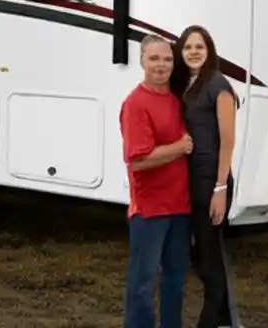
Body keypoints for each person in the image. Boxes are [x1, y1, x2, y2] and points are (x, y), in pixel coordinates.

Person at [119, 34, 194, 328]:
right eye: (154, 58)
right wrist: (180, 147)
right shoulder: (136, 104)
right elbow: (138, 160)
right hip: (150, 211)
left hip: (180, 207)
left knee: (175, 279)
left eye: (167, 59)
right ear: (141, 61)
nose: (161, 65)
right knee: (143, 282)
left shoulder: (176, 100)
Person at [171, 25, 240, 328]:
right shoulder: (183, 83)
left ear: (209, 50)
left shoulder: (218, 84)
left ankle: (210, 321)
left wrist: (220, 188)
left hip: (211, 180)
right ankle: (225, 319)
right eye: (188, 47)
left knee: (208, 255)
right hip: (189, 178)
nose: (193, 52)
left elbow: (228, 140)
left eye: (199, 47)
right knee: (200, 254)